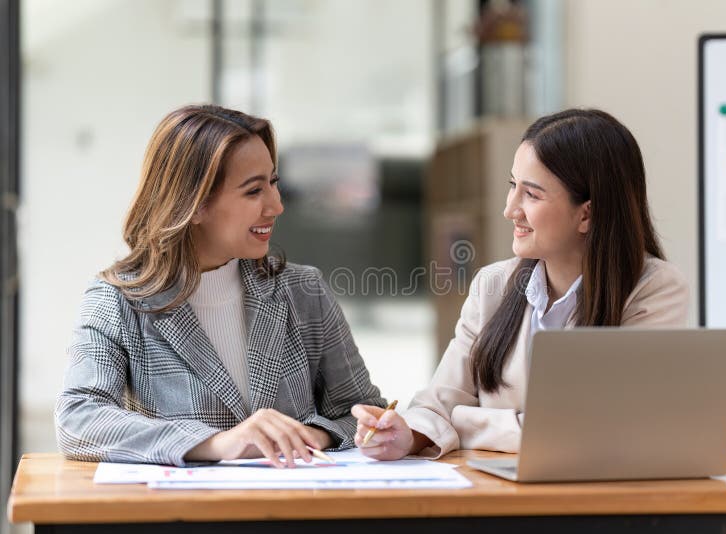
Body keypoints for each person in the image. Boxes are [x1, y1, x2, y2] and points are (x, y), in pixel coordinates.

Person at [55, 104, 385, 467]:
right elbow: (78, 420)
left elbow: (365, 413)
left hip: (292, 515)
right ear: (193, 205)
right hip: (183, 520)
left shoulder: (303, 290)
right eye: (253, 190)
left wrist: (310, 436)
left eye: (273, 183)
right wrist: (219, 443)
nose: (276, 205)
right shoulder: (117, 301)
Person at [351, 108, 690, 460]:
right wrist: (405, 434)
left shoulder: (655, 289)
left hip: (602, 502)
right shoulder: (494, 285)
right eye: (513, 186)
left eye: (532, 194)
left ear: (587, 214)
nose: (511, 209)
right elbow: (439, 404)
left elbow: (601, 430)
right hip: (499, 498)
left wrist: (465, 423)